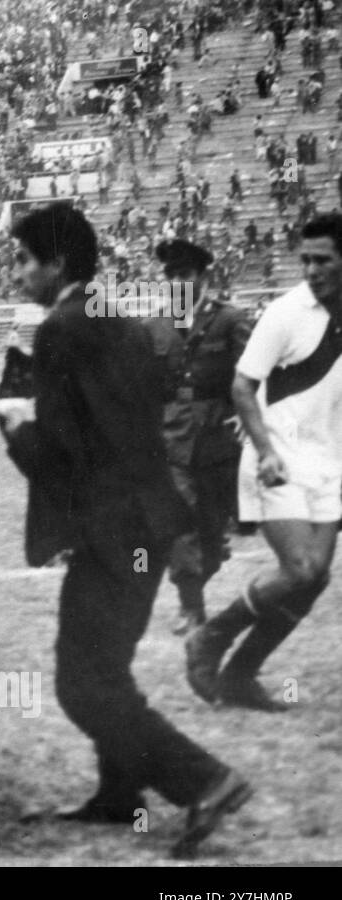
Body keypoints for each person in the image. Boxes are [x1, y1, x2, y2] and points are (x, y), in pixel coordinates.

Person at [0, 203, 250, 859]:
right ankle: (118, 796)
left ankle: (206, 781)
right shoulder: (124, 319)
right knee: (107, 665)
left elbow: (60, 456)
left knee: (82, 684)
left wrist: (15, 424)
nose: (18, 272)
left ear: (57, 263)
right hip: (150, 522)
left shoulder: (58, 329)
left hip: (112, 530)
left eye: (24, 259)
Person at [186, 212, 342, 711]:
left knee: (315, 578)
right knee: (297, 569)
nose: (312, 270)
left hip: (327, 459)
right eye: (306, 260)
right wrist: (269, 450)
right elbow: (241, 386)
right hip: (275, 455)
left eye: (324, 260)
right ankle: (211, 635)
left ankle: (240, 676)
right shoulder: (283, 313)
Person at [140, 240, 253, 637]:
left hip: (219, 438)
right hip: (171, 440)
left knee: (211, 536)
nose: (177, 283)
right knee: (180, 521)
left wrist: (245, 413)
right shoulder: (152, 327)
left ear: (202, 277)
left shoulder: (231, 319)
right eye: (170, 276)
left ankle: (197, 584)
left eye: (184, 275)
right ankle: (192, 608)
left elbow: (252, 376)